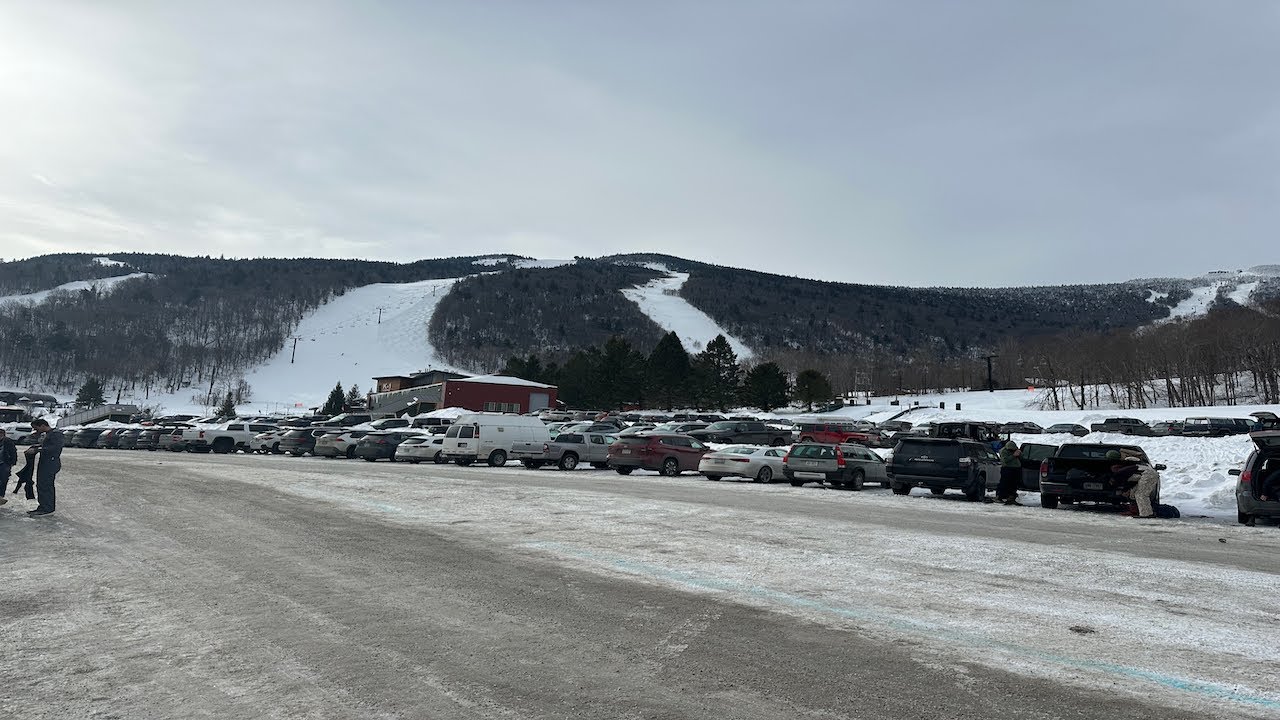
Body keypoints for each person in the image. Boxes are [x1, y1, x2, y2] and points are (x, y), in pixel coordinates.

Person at [26, 419, 63, 517]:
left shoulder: (56, 434)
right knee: (41, 485)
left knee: (46, 486)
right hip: (45, 463)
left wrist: (37, 450)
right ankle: (43, 506)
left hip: (50, 463)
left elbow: (55, 448)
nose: (36, 430)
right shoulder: (49, 433)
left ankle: (48, 508)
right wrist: (36, 446)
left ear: (42, 425)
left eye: (36, 428)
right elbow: (46, 446)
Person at [997, 440, 1023, 505]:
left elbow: (1022, 457)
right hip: (1007, 469)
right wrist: (1013, 455)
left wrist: (1020, 454)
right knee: (1004, 483)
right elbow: (1005, 460)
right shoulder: (1003, 451)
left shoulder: (1015, 450)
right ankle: (1000, 496)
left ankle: (1011, 497)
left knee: (1014, 484)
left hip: (1016, 469)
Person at [0, 429, 16, 506]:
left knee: (3, 479)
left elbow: (13, 451)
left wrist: (13, 462)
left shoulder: (8, 441)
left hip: (4, 463)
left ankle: (1, 496)